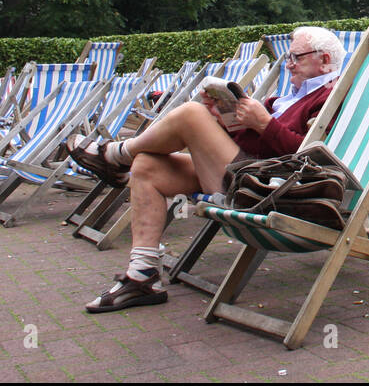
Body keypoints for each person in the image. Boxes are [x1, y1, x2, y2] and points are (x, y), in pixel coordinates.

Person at [69, 27, 344, 313]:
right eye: (288, 58)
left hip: (266, 188)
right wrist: (225, 117)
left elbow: (312, 160)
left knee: (191, 114)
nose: (288, 64)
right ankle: (143, 275)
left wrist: (264, 123)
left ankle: (115, 155)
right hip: (246, 171)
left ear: (324, 60)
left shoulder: (330, 99)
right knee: (147, 165)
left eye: (295, 58)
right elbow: (250, 141)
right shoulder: (284, 99)